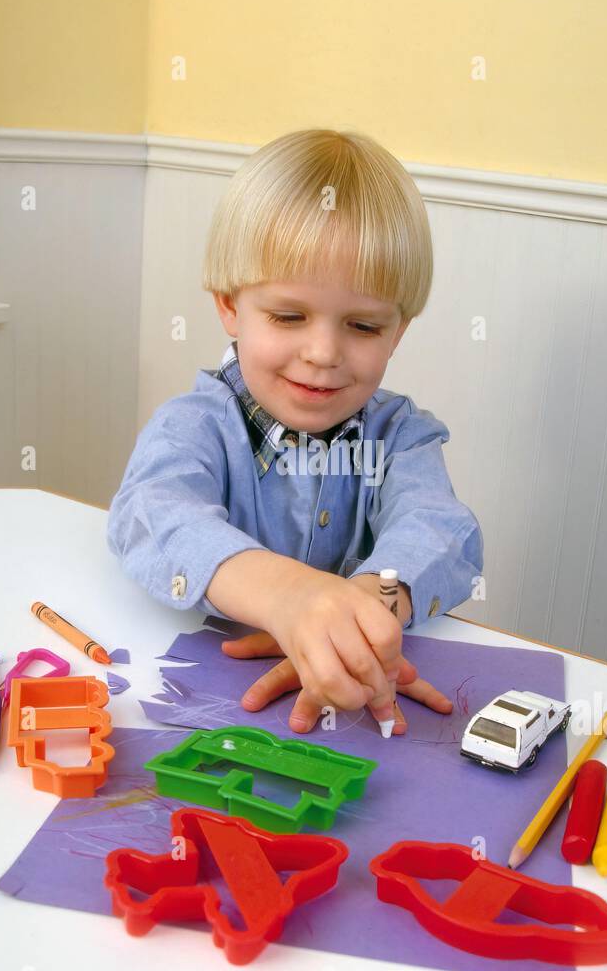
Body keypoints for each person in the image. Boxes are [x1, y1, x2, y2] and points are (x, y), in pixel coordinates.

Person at [107, 129, 483, 735]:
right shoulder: (196, 425)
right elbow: (152, 515)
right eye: (288, 316)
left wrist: (360, 618)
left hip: (341, 694)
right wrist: (289, 597)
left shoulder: (401, 436)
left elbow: (440, 531)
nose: (323, 353)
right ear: (230, 305)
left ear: (399, 331)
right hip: (202, 690)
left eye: (362, 326)